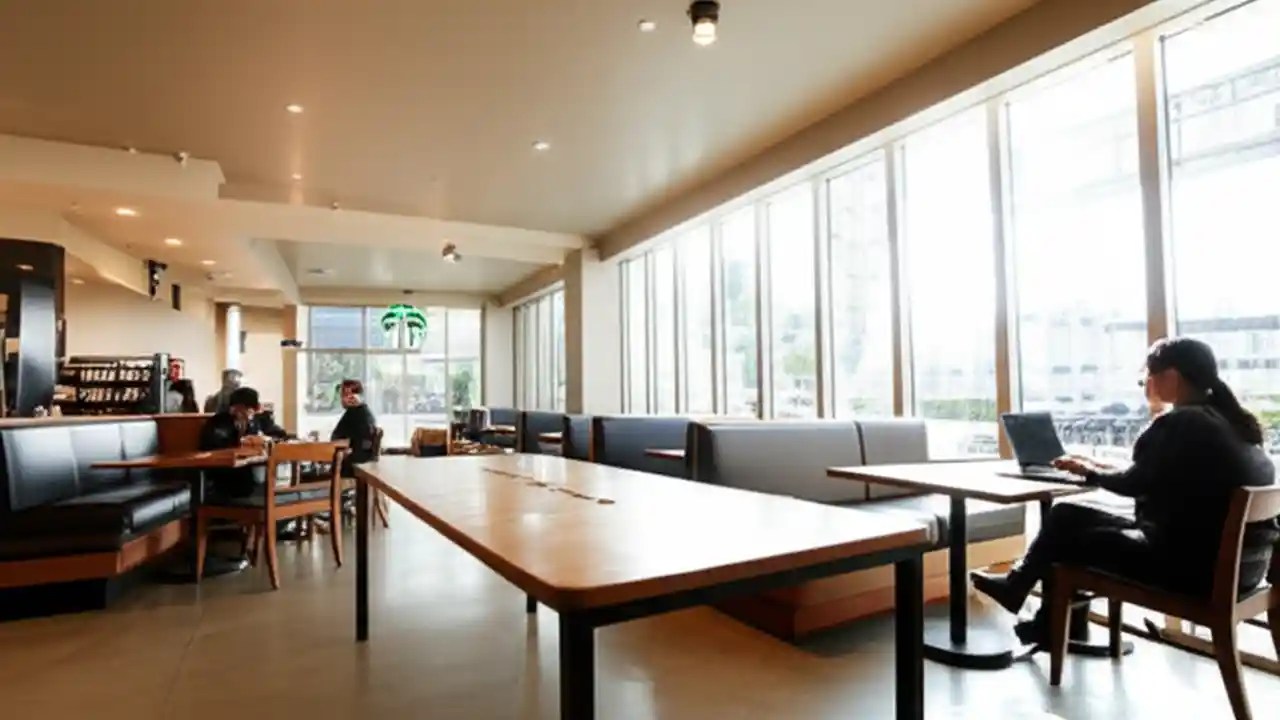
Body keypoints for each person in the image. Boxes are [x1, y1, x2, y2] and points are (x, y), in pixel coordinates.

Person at [972, 337, 1279, 645]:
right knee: (1069, 520)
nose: (1146, 385)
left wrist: (1091, 473)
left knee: (1065, 524)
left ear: (1170, 377)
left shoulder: (1182, 422)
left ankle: (1035, 605)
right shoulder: (1234, 425)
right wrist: (1095, 466)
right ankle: (1051, 619)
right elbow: (1153, 474)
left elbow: (1133, 484)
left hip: (1186, 573)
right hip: (1238, 572)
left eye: (1147, 377)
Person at [199, 386, 287, 498]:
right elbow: (212, 446)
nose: (241, 414)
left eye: (246, 410)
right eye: (237, 409)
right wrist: (241, 433)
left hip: (254, 474)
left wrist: (264, 439)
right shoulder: (219, 422)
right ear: (232, 408)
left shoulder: (260, 419)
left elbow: (280, 435)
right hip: (225, 477)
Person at [330, 379, 377, 476]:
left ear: (355, 396)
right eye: (342, 395)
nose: (342, 399)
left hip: (353, 463)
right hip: (361, 460)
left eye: (345, 394)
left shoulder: (354, 414)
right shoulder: (364, 412)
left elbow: (336, 438)